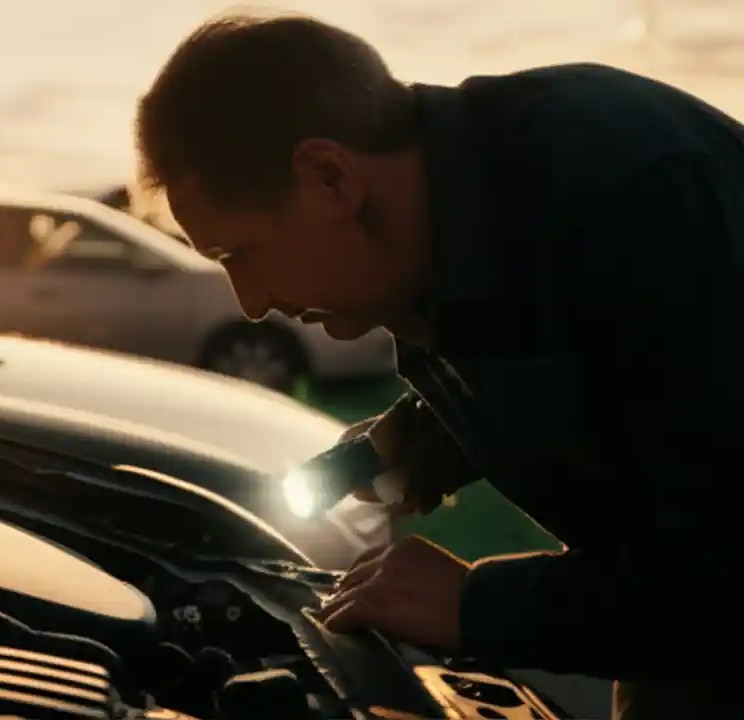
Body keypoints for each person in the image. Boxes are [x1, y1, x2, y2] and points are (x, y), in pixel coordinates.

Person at [134, 11, 744, 720]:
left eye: (239, 254)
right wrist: (423, 445)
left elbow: (725, 570)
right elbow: (604, 365)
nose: (251, 303)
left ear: (330, 177)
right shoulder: (449, 222)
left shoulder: (638, 198)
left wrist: (475, 605)